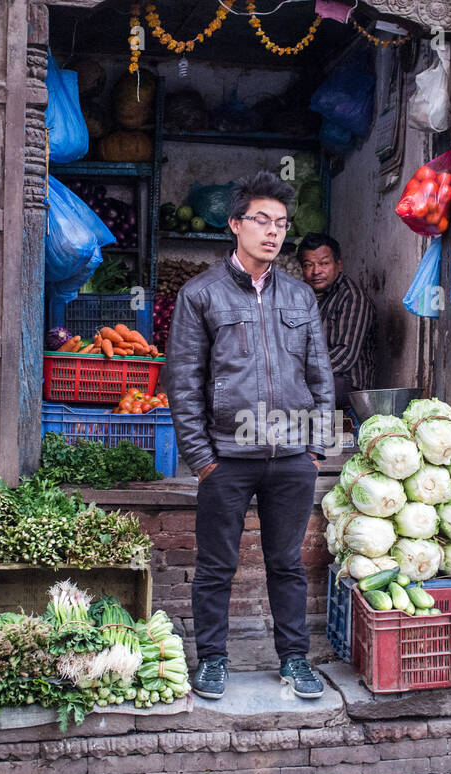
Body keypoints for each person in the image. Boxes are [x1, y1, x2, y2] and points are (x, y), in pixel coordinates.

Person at [165, 171, 335, 702]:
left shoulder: (300, 297)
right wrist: (202, 459)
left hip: (292, 454)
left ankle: (294, 660)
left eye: (282, 224)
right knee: (217, 565)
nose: (273, 232)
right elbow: (184, 381)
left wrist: (314, 448)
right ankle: (213, 659)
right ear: (235, 225)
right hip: (228, 456)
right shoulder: (201, 295)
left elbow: (319, 373)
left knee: (287, 563)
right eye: (262, 220)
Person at [297, 233, 377, 410]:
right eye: (308, 265)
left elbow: (345, 357)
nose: (316, 271)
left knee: (292, 393)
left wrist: (299, 373)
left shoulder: (352, 299)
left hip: (347, 384)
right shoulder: (305, 297)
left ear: (338, 265)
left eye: (324, 263)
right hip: (312, 376)